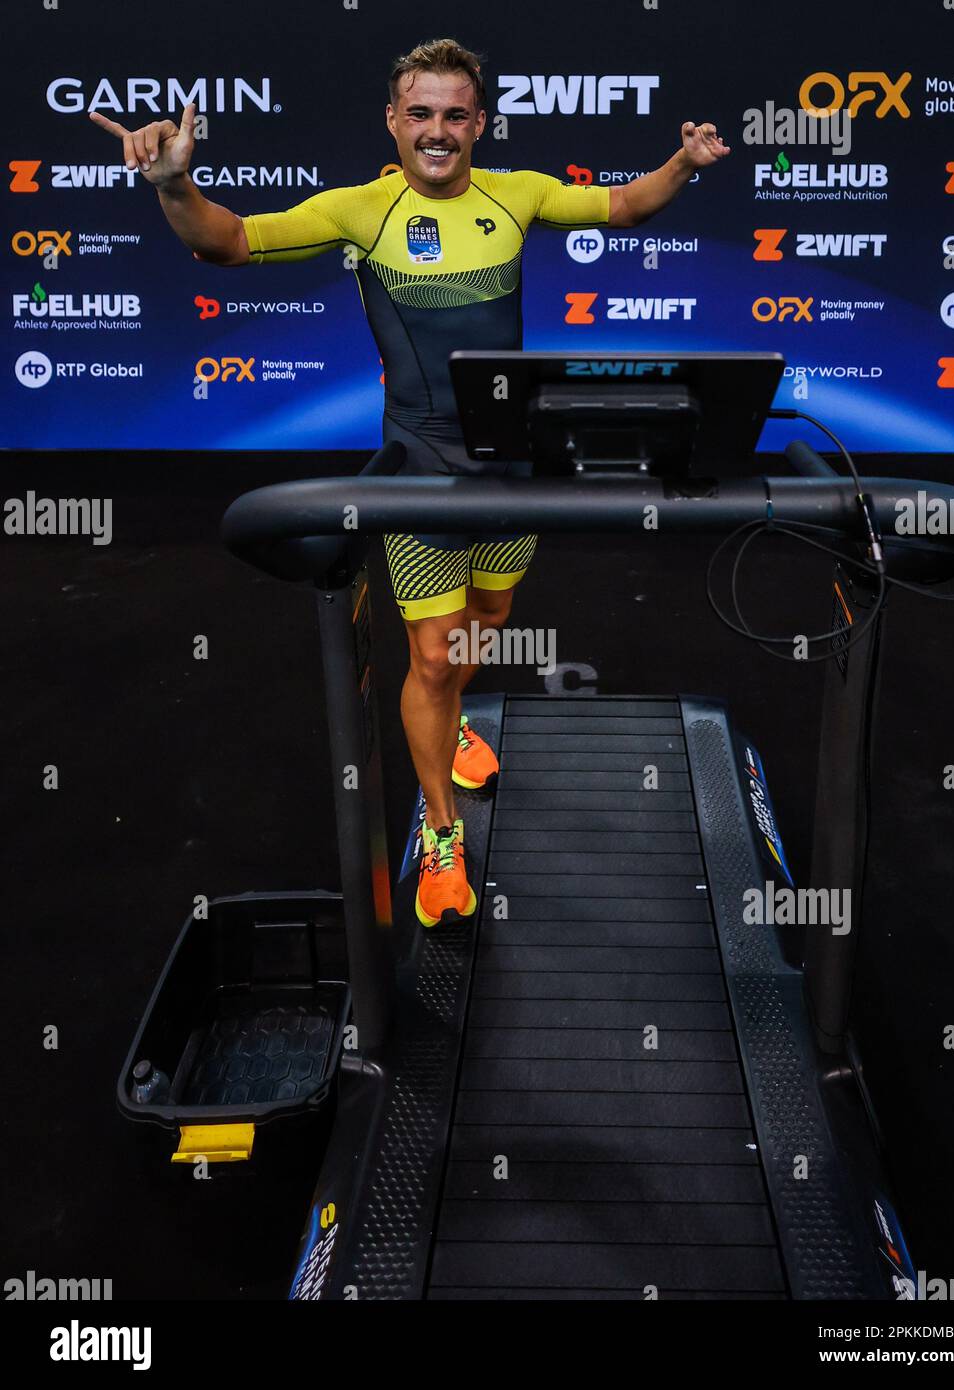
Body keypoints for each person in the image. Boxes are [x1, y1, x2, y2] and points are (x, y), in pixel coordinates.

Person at [90, 36, 730, 929]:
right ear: (393, 120)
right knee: (432, 654)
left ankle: (456, 720)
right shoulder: (363, 209)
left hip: (512, 461)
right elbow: (230, 242)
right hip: (420, 466)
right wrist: (172, 185)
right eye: (420, 113)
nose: (438, 131)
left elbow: (624, 205)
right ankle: (440, 832)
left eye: (455, 114)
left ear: (481, 122)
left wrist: (683, 164)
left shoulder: (519, 194)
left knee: (487, 626)